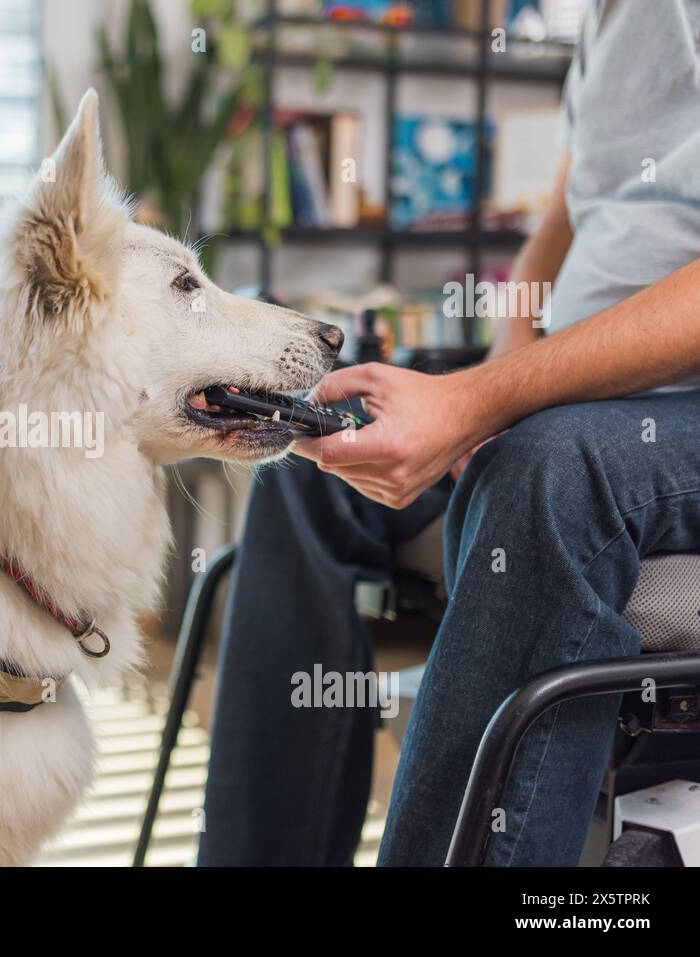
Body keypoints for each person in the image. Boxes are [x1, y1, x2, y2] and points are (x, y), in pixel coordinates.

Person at [199, 0, 700, 866]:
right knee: (304, 466)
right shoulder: (615, 18)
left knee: (544, 475)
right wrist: (507, 377)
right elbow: (565, 213)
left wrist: (488, 401)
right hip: (578, 384)